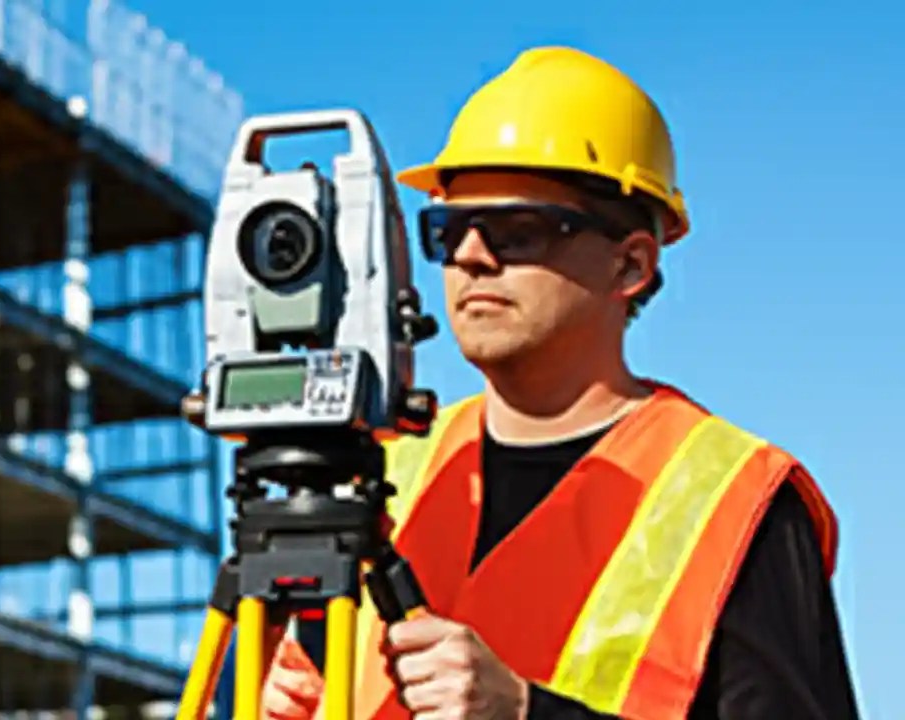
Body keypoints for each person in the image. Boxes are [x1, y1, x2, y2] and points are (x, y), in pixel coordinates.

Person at [258, 46, 862, 720]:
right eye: (450, 230)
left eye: (520, 231)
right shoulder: (388, 468)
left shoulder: (732, 498)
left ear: (630, 265)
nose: (472, 257)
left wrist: (526, 713)